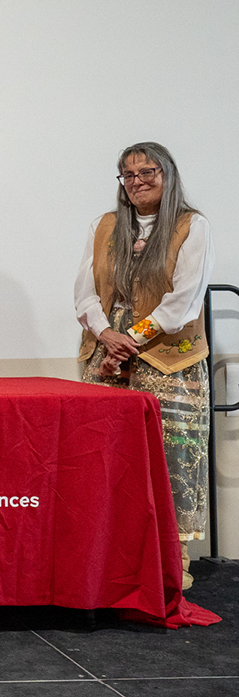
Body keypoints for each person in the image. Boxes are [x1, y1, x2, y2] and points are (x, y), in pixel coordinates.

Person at [76, 142, 213, 589]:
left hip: (170, 360)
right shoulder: (105, 226)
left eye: (146, 172)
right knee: (111, 457)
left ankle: (176, 563)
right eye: (128, 175)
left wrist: (131, 339)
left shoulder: (192, 226)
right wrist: (106, 335)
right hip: (107, 356)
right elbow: (85, 292)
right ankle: (114, 557)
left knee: (172, 457)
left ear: (167, 174)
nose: (137, 181)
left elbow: (185, 299)